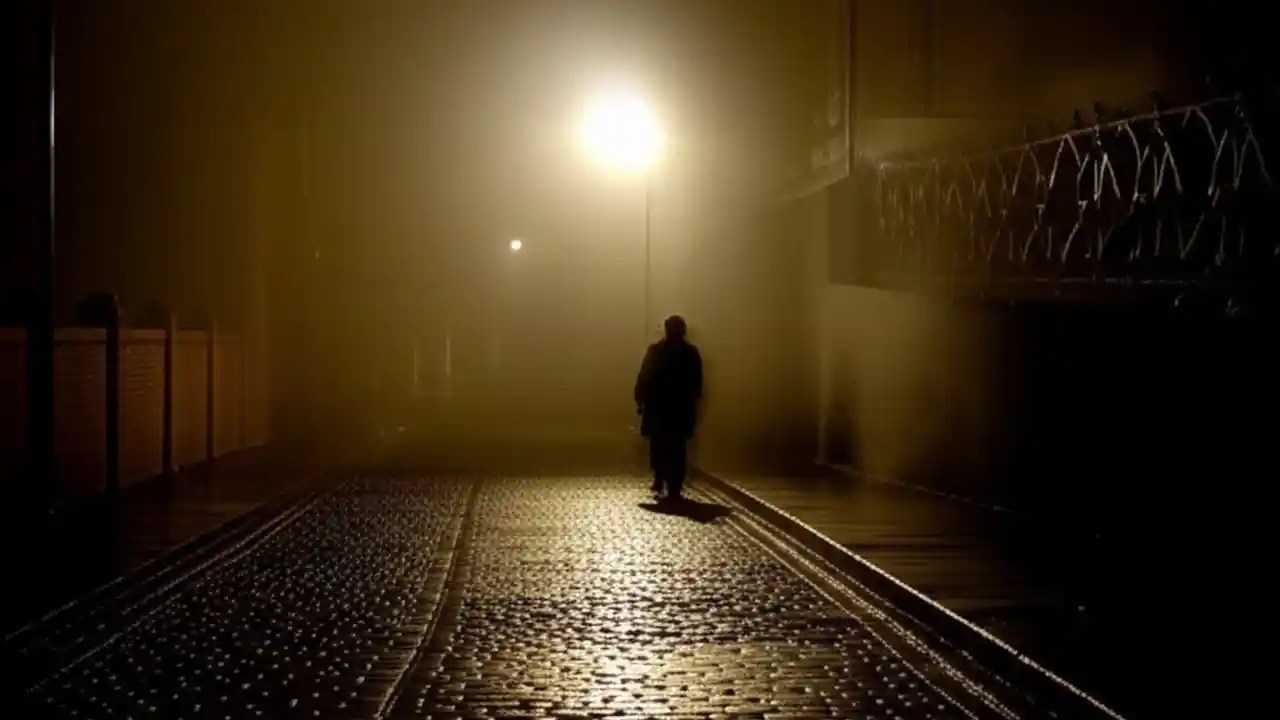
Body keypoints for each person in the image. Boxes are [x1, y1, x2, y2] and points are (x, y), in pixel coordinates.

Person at [634, 315, 702, 500]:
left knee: (659, 445)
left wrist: (640, 399)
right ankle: (674, 485)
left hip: (660, 408)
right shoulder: (690, 352)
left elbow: (644, 376)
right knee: (677, 448)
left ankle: (661, 477)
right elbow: (697, 382)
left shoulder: (656, 351)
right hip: (679, 409)